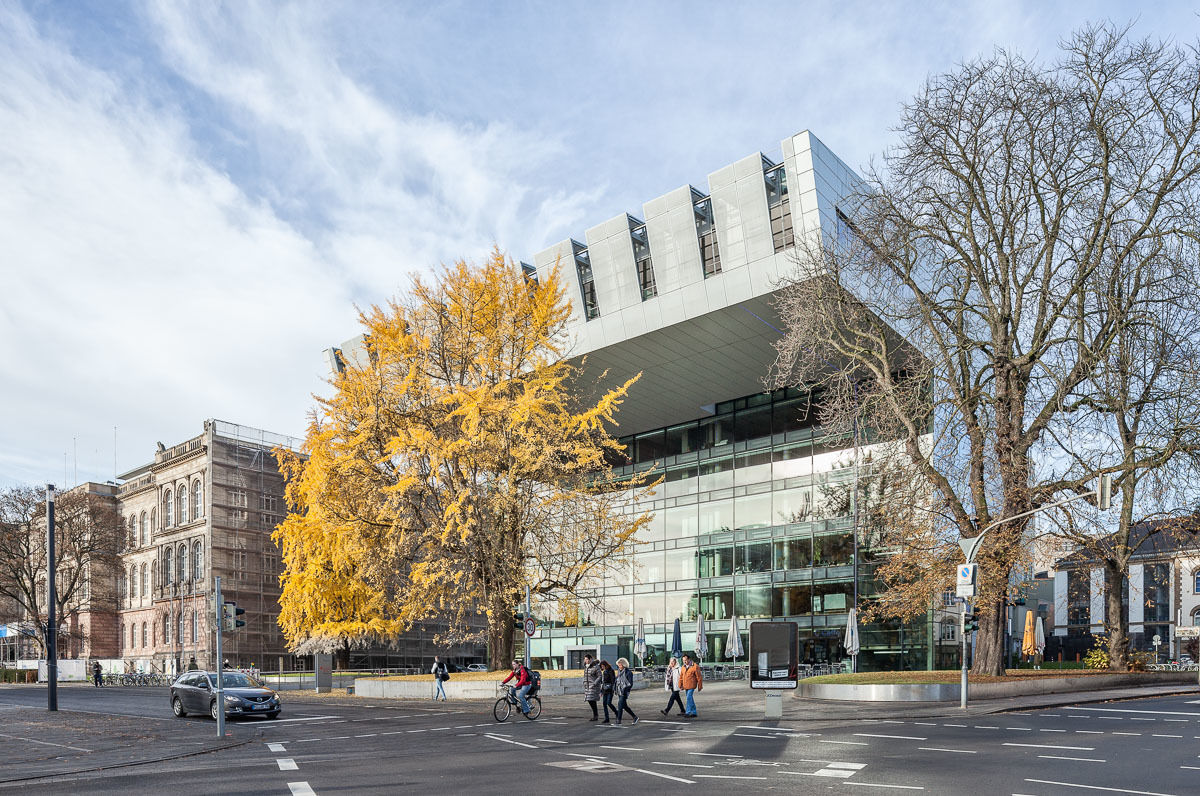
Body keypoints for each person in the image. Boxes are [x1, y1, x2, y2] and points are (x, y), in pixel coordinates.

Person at [614, 658, 638, 725]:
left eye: (620, 665)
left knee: (620, 705)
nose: (619, 666)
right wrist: (614, 688)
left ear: (624, 665)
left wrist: (625, 689)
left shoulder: (628, 672)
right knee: (624, 706)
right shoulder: (619, 671)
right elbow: (616, 680)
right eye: (618, 665)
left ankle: (618, 721)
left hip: (624, 692)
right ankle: (635, 717)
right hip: (619, 691)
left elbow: (630, 683)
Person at [582, 654, 602, 721]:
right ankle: (595, 715)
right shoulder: (585, 666)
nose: (586, 660)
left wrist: (594, 683)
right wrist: (584, 682)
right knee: (590, 700)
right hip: (587, 686)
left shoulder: (595, 667)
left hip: (593, 686)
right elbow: (585, 676)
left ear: (590, 659)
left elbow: (600, 676)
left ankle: (595, 715)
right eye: (585, 659)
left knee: (591, 699)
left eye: (587, 659)